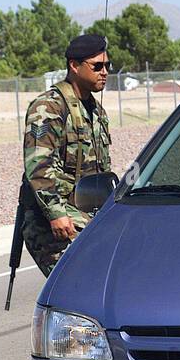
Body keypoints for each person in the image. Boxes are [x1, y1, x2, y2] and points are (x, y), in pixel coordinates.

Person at [21, 33, 113, 275]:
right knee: (80, 286)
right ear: (74, 65)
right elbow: (37, 166)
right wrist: (56, 214)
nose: (104, 72)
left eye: (107, 66)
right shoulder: (48, 107)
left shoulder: (96, 111)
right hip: (54, 225)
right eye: (97, 66)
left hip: (88, 219)